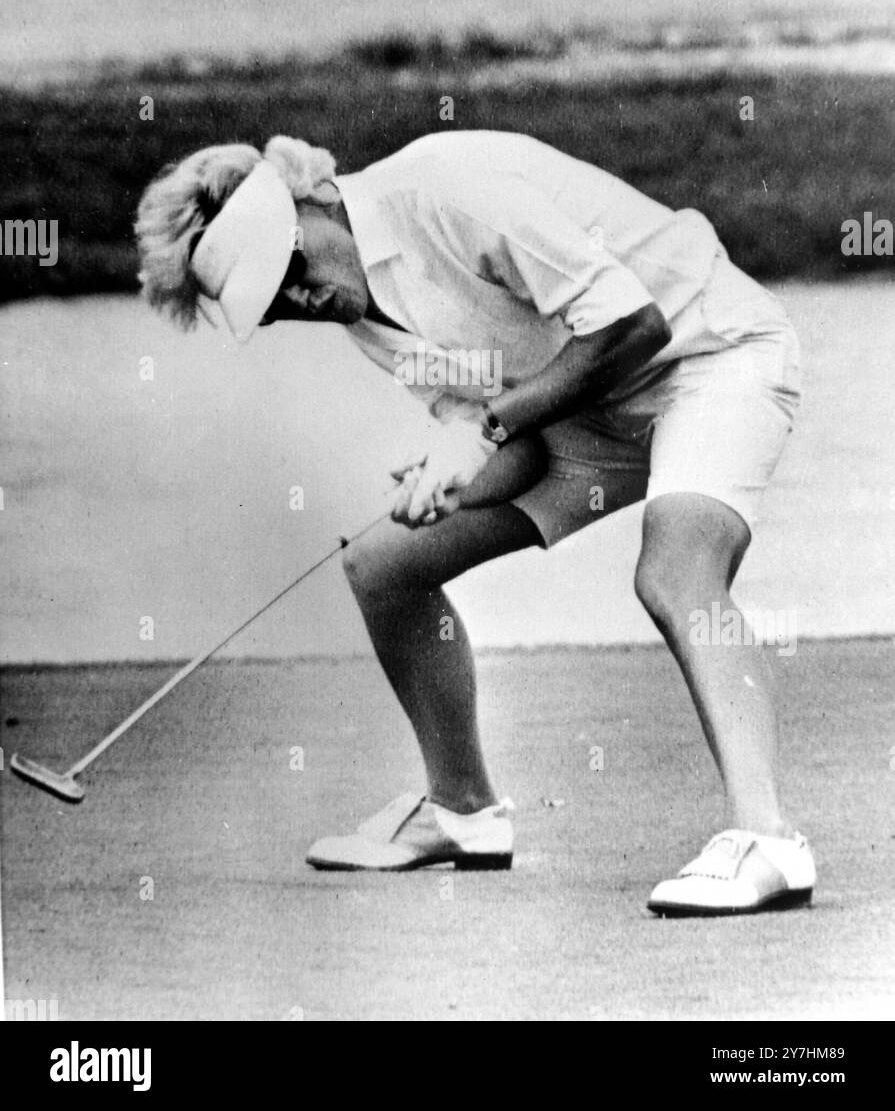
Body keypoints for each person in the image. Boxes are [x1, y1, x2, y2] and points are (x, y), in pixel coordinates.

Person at [136, 129, 815, 915]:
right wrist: (452, 480)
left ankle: (766, 840)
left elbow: (633, 327)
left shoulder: (444, 188)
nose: (308, 301)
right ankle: (463, 811)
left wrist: (482, 431)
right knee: (383, 565)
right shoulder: (368, 324)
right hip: (589, 416)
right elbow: (521, 452)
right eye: (280, 308)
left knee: (674, 570)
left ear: (317, 199)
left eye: (295, 270)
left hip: (710, 354)